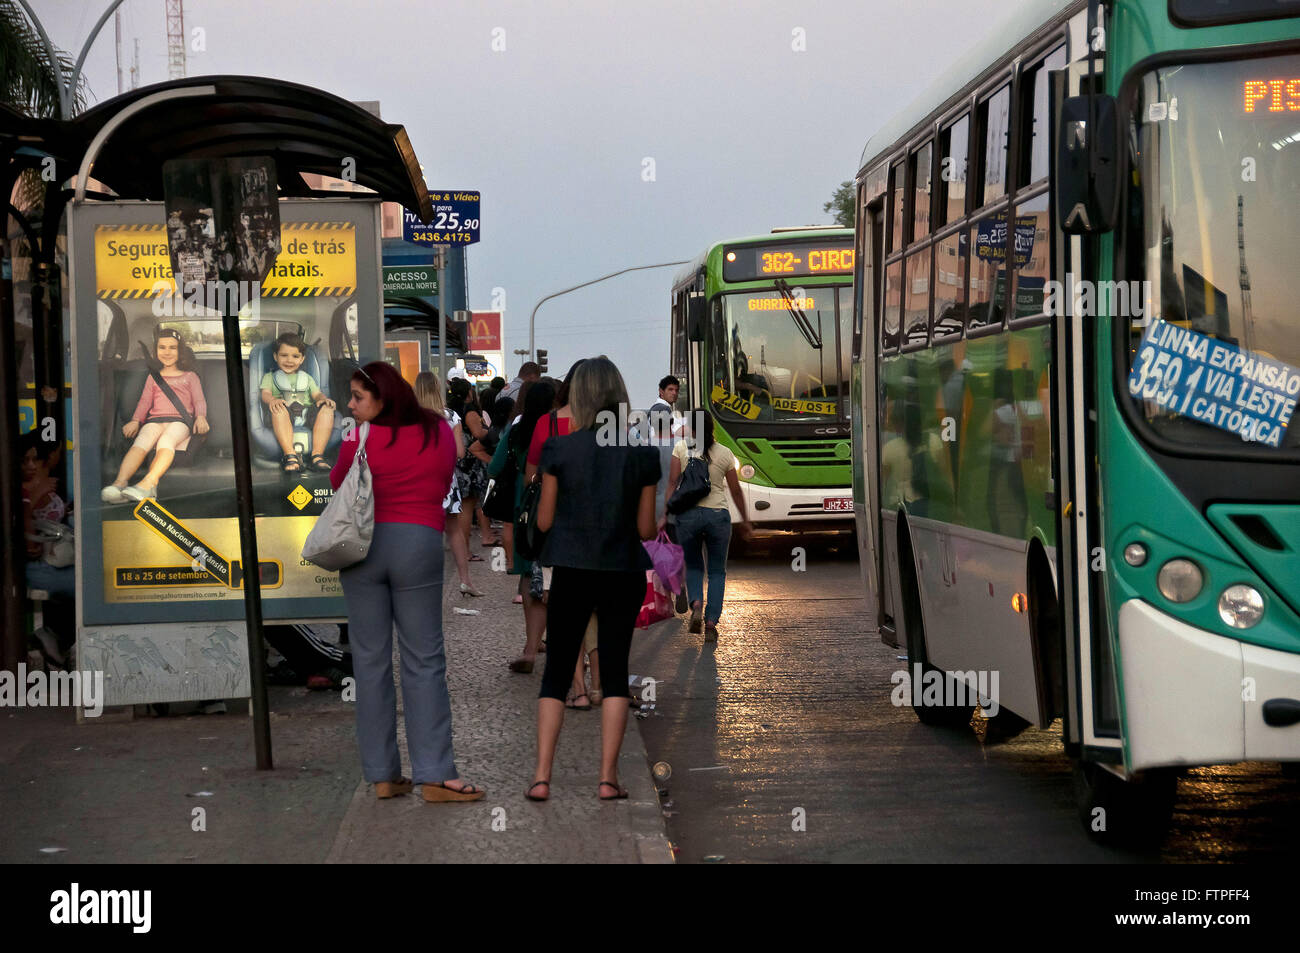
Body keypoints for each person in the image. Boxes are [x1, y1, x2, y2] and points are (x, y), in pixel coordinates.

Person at [331, 361, 482, 802]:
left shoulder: (355, 435)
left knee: (370, 662)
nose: (351, 405)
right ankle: (436, 774)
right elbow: (443, 480)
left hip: (361, 549)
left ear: (382, 398)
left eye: (359, 397)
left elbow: (339, 482)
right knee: (424, 660)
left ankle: (382, 774)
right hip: (416, 544)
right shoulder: (435, 428)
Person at [527, 357, 659, 802]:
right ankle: (608, 780)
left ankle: (542, 778)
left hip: (571, 569)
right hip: (623, 571)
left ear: (579, 397)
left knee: (557, 673)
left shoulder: (559, 450)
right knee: (617, 674)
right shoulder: (641, 454)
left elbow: (543, 521)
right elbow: (645, 530)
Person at [667, 409, 753, 642]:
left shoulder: (681, 449)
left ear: (691, 428)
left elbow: (673, 483)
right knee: (717, 571)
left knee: (694, 566)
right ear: (712, 427)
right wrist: (745, 520)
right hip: (717, 516)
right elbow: (735, 490)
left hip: (689, 517)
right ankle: (711, 622)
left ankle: (696, 603)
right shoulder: (725, 453)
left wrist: (665, 514)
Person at [101, 327, 209, 503]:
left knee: (166, 441)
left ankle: (148, 483)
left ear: (180, 351)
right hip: (155, 420)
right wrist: (136, 420)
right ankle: (119, 484)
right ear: (156, 351)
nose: (167, 352)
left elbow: (199, 401)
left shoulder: (190, 376)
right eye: (162, 347)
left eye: (172, 348)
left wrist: (201, 417)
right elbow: (144, 402)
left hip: (180, 421)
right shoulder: (154, 377)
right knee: (142, 441)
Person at [493, 379, 555, 671]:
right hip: (556, 509)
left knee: (530, 579)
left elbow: (494, 467)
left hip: (524, 510)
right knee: (554, 578)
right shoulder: (556, 428)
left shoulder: (517, 431)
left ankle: (530, 649)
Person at [415, 371, 481, 597]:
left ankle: (423, 584)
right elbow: (461, 452)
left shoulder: (410, 416)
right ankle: (465, 581)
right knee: (453, 531)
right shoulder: (451, 416)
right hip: (445, 481)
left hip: (417, 482)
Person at [259, 332, 336, 473]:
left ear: (302, 359)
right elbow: (265, 394)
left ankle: (317, 456)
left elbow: (317, 394)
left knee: (327, 409)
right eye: (284, 355)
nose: (289, 360)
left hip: (307, 416)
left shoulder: (307, 378)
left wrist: (323, 400)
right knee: (279, 409)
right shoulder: (270, 377)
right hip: (283, 414)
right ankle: (290, 456)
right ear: (275, 357)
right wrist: (273, 400)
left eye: (295, 356)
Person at [447, 378, 499, 550]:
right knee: (468, 506)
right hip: (470, 463)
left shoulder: (452, 410)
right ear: (469, 392)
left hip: (459, 462)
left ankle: (463, 548)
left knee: (463, 507)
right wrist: (490, 432)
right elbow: (477, 432)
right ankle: (465, 549)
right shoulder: (469, 410)